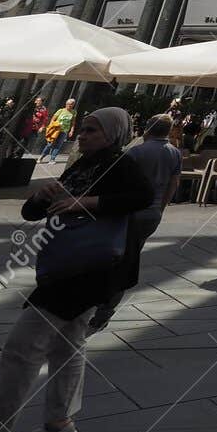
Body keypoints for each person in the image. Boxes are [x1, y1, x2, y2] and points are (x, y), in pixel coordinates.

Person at [0, 107, 153, 432]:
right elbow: (32, 213)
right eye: (83, 128)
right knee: (67, 344)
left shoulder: (120, 164)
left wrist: (86, 202)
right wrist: (43, 195)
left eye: (92, 130)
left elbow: (143, 197)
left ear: (112, 133)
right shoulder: (81, 165)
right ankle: (59, 425)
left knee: (21, 347)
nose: (82, 134)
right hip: (63, 264)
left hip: (90, 271)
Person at [89, 113, 184, 332]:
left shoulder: (136, 152)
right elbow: (173, 183)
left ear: (148, 129)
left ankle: (94, 301)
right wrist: (161, 208)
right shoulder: (174, 153)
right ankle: (106, 310)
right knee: (128, 260)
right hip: (151, 214)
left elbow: (115, 181)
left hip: (127, 211)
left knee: (109, 256)